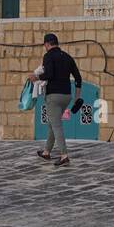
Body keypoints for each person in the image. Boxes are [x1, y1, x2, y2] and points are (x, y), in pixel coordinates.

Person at [30, 33, 82, 166]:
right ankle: (46, 152)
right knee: (52, 124)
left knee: (56, 126)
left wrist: (37, 78)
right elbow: (78, 78)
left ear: (47, 44)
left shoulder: (48, 56)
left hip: (53, 96)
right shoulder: (67, 57)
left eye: (45, 45)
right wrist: (77, 98)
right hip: (66, 96)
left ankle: (64, 156)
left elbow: (49, 74)